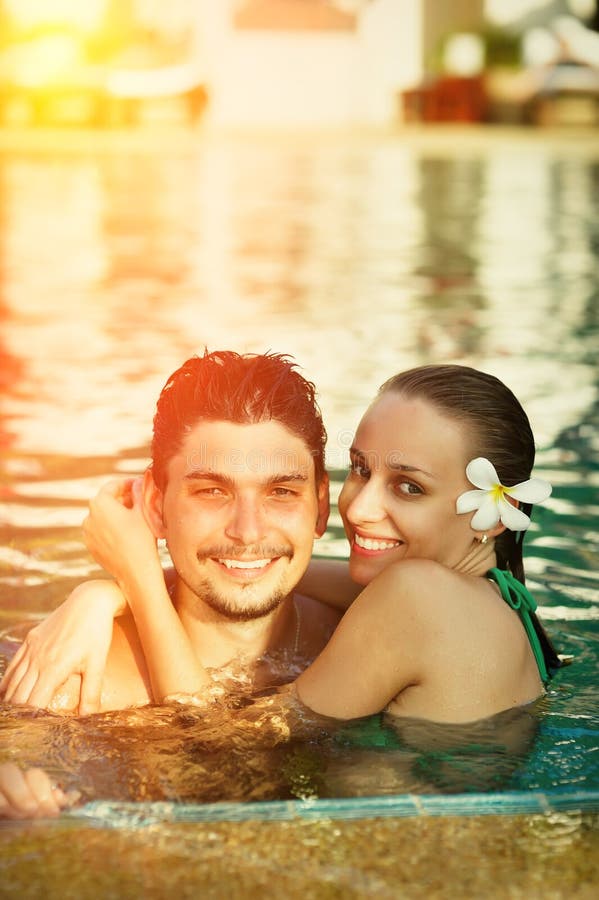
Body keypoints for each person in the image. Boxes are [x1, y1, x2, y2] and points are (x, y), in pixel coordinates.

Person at [1, 361, 561, 816]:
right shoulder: (497, 600)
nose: (359, 509)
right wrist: (108, 591)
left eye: (409, 487)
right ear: (156, 507)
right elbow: (267, 561)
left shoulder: (414, 597)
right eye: (360, 470)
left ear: (491, 514)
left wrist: (137, 576)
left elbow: (219, 760)